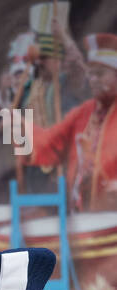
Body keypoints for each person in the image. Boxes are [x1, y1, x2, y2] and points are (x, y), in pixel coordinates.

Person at [20, 32, 117, 211]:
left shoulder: (67, 82)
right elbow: (49, 143)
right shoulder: (84, 112)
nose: (93, 80)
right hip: (85, 219)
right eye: (92, 74)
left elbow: (76, 69)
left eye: (100, 74)